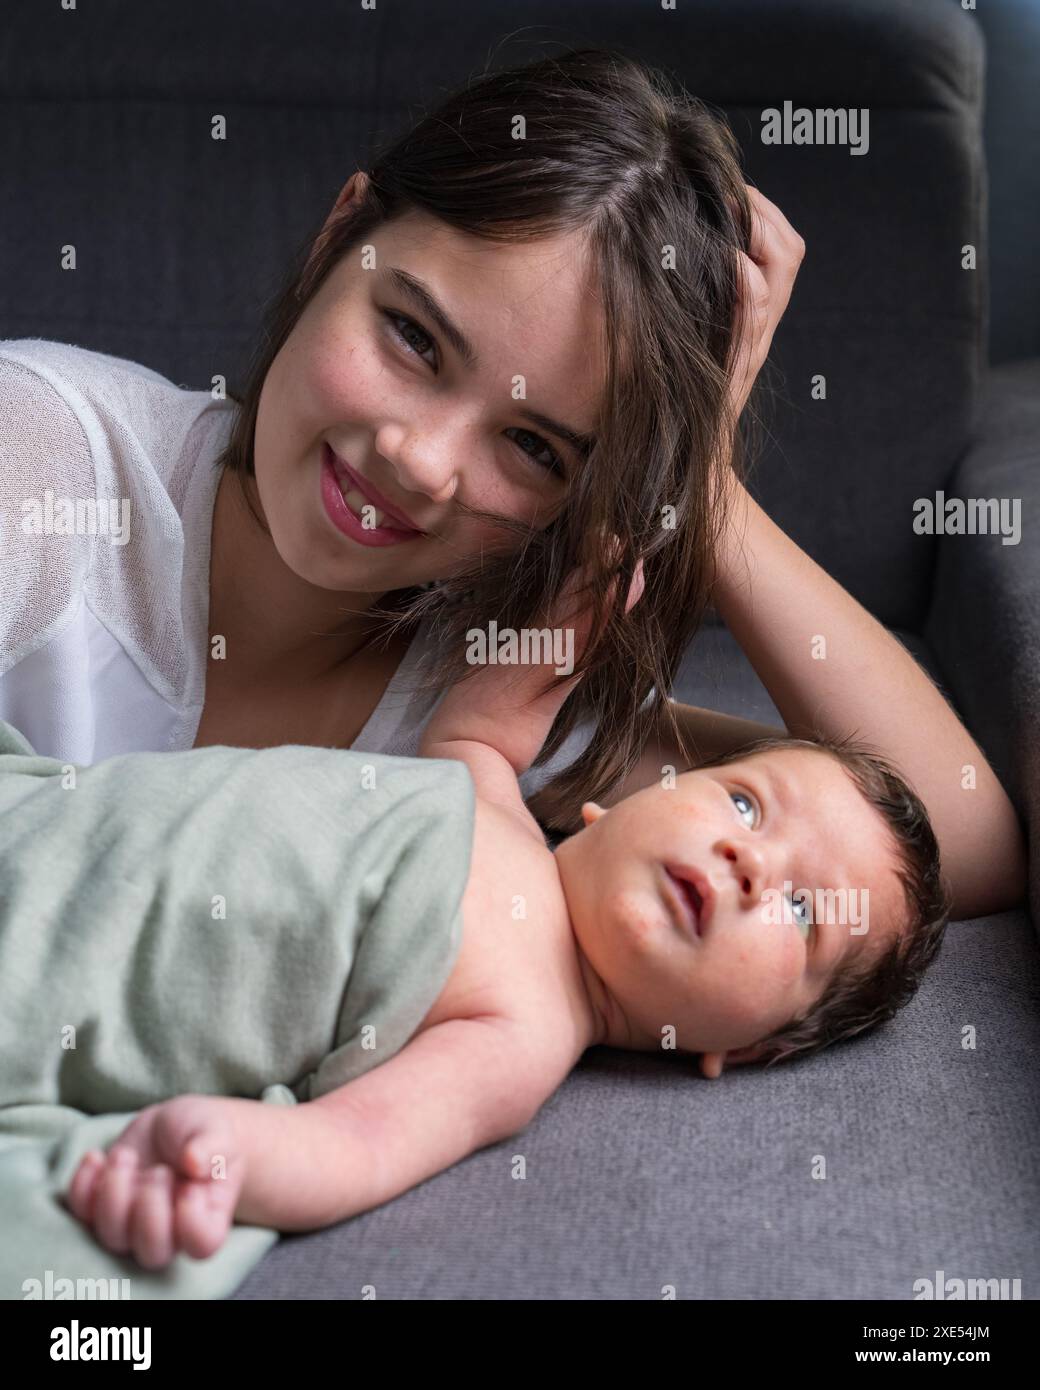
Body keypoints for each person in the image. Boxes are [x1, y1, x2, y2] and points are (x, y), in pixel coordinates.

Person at [0, 48, 1024, 921]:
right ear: (335, 240)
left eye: (535, 448)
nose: (421, 460)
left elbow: (950, 838)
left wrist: (694, 479)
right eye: (411, 336)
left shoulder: (489, 695)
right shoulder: (44, 456)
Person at [61, 558, 951, 1269]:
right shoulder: (493, 801)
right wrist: (591, 588)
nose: (750, 865)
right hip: (74, 816)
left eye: (802, 911)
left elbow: (363, 1143)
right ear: (619, 803)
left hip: (81, 957)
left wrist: (231, 1156)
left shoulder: (525, 1031)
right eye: (746, 807)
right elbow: (484, 724)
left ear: (755, 1044)